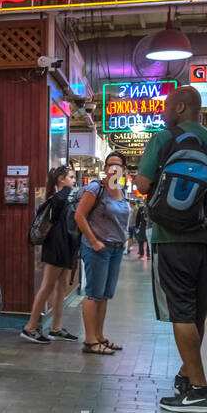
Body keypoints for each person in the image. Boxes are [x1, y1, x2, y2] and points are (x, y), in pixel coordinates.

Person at [134, 85, 207, 413]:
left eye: (166, 106)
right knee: (195, 314)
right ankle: (186, 375)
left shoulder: (163, 139)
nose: (163, 113)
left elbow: (142, 184)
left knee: (180, 313)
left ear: (180, 107)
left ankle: (199, 390)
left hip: (171, 237)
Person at [75, 151, 132, 356]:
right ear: (105, 168)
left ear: (124, 170)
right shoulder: (96, 188)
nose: (114, 169)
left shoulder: (122, 191)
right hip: (97, 248)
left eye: (118, 165)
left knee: (105, 295)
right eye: (110, 165)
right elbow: (79, 215)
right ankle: (90, 341)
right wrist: (93, 240)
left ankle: (99, 336)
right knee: (93, 294)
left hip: (116, 248)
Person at [21, 165, 80, 344]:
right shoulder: (58, 198)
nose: (73, 180)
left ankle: (56, 327)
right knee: (47, 286)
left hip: (65, 247)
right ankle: (30, 327)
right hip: (55, 247)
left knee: (61, 287)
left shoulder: (63, 198)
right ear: (61, 180)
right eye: (70, 177)